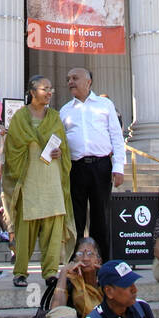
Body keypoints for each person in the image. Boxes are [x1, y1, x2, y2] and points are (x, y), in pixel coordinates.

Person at [4, 75, 75, 288]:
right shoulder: (20, 118)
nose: (49, 92)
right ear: (32, 92)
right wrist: (29, 146)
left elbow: (63, 146)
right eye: (45, 88)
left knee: (53, 226)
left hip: (51, 176)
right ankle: (21, 271)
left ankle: (51, 271)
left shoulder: (54, 117)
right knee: (26, 226)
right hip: (29, 177)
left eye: (50, 88)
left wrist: (59, 152)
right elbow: (12, 149)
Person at [59, 67, 125, 263]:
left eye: (75, 78)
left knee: (101, 219)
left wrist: (118, 167)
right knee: (76, 218)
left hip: (101, 166)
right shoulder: (65, 110)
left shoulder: (105, 105)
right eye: (68, 78)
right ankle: (76, 261)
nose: (70, 81)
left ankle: (103, 262)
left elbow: (116, 136)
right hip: (75, 168)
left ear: (88, 82)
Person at [56, 236, 104, 318]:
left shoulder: (104, 281)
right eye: (80, 254)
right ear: (74, 260)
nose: (85, 259)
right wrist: (63, 272)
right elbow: (55, 314)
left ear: (98, 260)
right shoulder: (69, 281)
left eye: (90, 254)